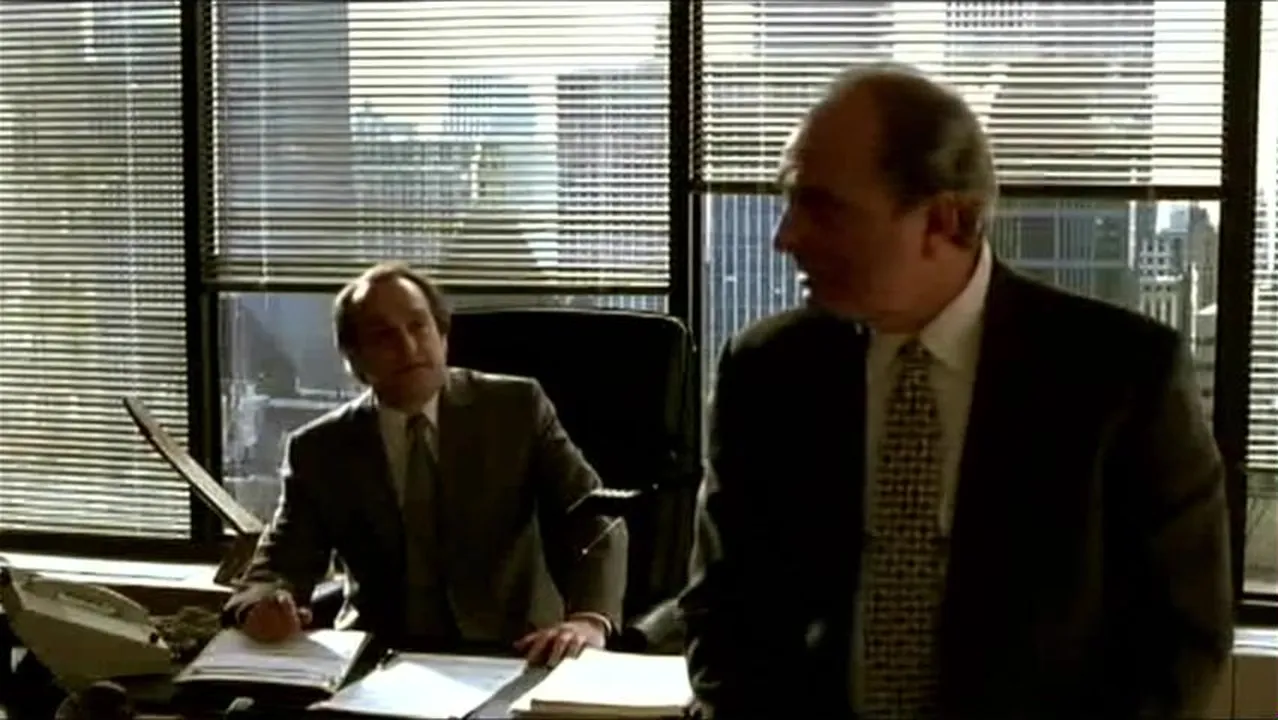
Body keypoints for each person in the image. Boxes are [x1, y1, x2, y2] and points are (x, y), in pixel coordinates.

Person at [679, 63, 1232, 719]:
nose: (786, 237)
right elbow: (722, 614)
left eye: (823, 207)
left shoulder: (1119, 376)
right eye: (789, 200)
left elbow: (1178, 643)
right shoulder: (768, 371)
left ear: (946, 220)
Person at [223, 262, 628, 666]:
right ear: (355, 360)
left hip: (515, 649)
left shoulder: (516, 409)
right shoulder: (320, 448)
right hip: (377, 659)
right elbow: (278, 565)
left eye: (418, 326)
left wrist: (590, 619)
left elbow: (597, 517)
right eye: (383, 336)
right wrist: (261, 605)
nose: (408, 347)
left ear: (443, 335)